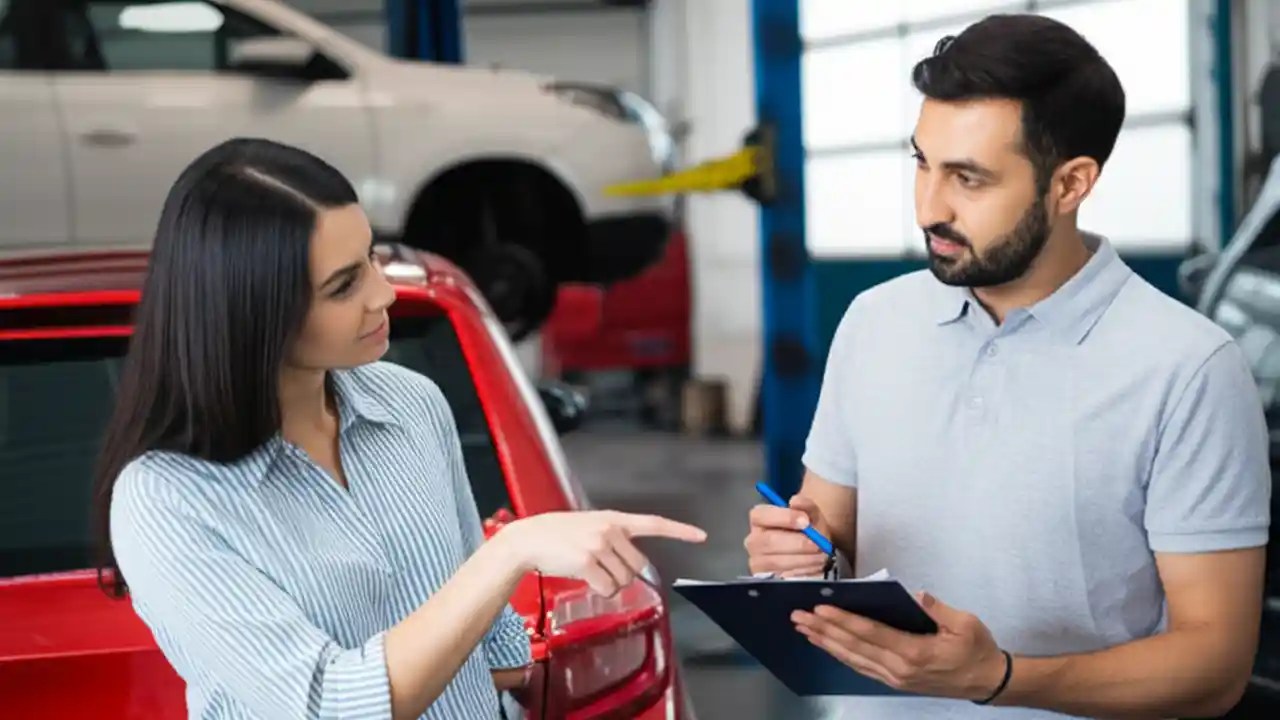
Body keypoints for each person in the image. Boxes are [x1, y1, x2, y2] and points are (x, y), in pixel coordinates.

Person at [744, 13, 1270, 720]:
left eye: (969, 178)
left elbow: (1214, 666)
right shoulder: (875, 322)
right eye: (922, 164)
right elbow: (827, 531)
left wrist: (998, 677)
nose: (930, 206)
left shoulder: (1188, 367)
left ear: (1071, 184)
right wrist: (801, 556)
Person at [92, 137, 707, 720]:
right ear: (252, 312)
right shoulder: (167, 501)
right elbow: (332, 708)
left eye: (372, 260)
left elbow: (494, 651)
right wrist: (511, 553)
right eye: (343, 286)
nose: (383, 293)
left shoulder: (410, 405)